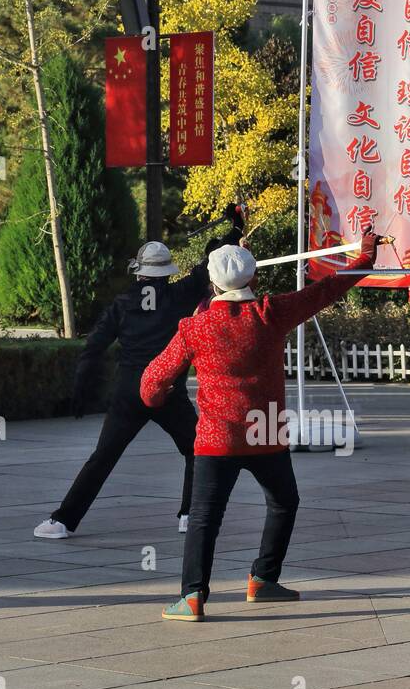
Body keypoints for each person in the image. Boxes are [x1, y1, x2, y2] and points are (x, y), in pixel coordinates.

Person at [140, 230, 382, 622]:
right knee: (284, 502)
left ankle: (192, 597)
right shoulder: (272, 313)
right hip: (266, 432)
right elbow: (327, 290)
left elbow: (153, 380)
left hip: (217, 439)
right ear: (253, 279)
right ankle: (263, 579)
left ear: (212, 283)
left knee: (204, 517)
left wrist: (156, 399)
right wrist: (365, 260)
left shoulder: (194, 328)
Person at [33, 207, 245, 540]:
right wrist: (234, 228)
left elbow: (94, 348)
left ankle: (62, 521)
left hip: (129, 391)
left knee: (103, 457)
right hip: (168, 389)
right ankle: (189, 514)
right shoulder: (180, 294)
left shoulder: (121, 303)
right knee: (195, 448)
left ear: (140, 273)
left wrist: (80, 388)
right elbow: (213, 264)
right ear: (166, 274)